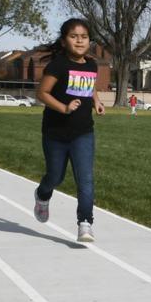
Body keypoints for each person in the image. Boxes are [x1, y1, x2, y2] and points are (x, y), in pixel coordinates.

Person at [33, 17, 106, 243]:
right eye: (74, 36)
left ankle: (85, 223)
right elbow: (42, 93)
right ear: (64, 41)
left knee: (85, 180)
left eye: (84, 37)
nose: (80, 41)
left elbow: (89, 86)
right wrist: (64, 108)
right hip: (55, 133)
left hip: (83, 132)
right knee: (55, 176)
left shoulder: (92, 65)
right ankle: (42, 194)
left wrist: (96, 101)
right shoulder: (58, 65)